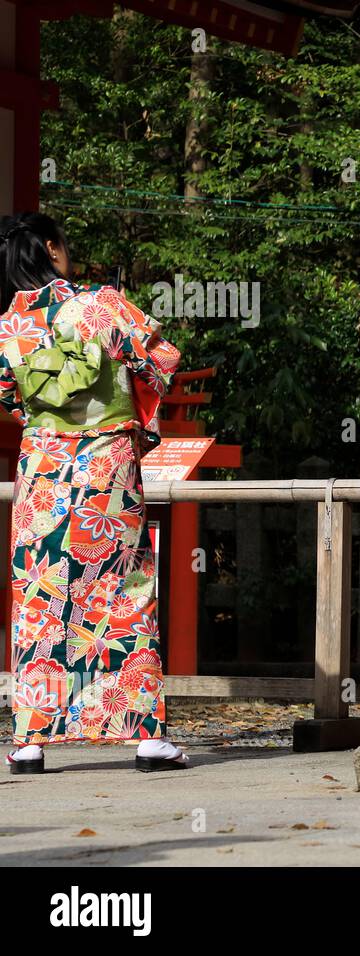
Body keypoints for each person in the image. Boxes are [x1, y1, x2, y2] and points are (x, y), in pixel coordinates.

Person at [0, 212, 188, 773]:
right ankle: (147, 739)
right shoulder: (98, 303)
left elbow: (10, 400)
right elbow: (161, 358)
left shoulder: (7, 327)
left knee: (40, 598)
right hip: (105, 465)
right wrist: (128, 402)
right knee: (122, 590)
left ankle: (30, 741)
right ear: (52, 249)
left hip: (42, 470)